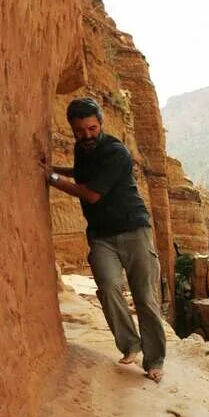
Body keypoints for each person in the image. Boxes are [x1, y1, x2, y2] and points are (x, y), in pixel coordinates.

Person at [45, 97, 166, 382]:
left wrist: (50, 178)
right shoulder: (82, 149)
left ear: (101, 124)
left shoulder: (116, 152)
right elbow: (84, 173)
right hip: (101, 235)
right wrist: (57, 169)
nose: (86, 136)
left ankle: (155, 360)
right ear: (72, 129)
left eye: (92, 129)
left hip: (133, 229)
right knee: (109, 286)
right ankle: (130, 345)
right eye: (79, 131)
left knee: (145, 297)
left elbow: (91, 193)